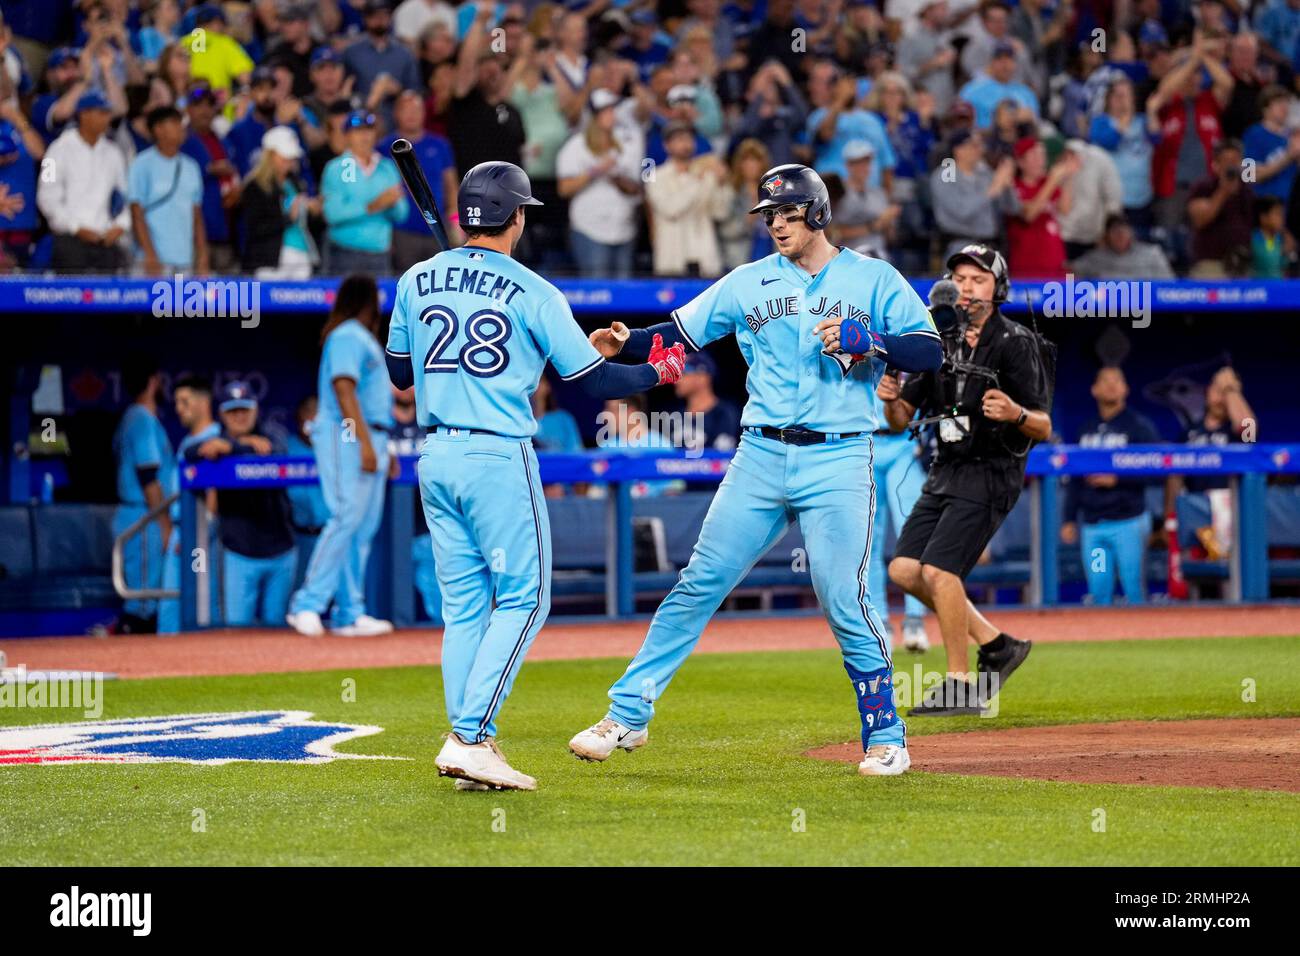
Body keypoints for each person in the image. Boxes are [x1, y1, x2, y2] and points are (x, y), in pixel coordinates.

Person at [568, 164, 942, 779]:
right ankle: (627, 713)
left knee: (842, 596)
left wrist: (868, 339)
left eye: (786, 213)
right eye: (768, 215)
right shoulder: (749, 281)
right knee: (697, 583)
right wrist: (628, 340)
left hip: (839, 453)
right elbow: (681, 334)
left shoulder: (873, 277)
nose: (774, 224)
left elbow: (927, 347)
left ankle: (885, 734)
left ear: (817, 213)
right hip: (761, 454)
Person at [384, 160, 687, 791]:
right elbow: (595, 383)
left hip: (436, 456)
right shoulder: (534, 290)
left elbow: (401, 373)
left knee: (466, 607)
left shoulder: (417, 277)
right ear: (515, 216)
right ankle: (469, 737)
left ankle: (473, 743)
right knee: (525, 599)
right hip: (497, 455)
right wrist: (656, 374)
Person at [882, 244, 1051, 716]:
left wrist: (1016, 412)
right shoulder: (936, 339)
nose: (967, 289)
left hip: (993, 470)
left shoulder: (1016, 341)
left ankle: (961, 685)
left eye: (978, 280)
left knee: (940, 572)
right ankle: (997, 645)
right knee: (903, 569)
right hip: (946, 468)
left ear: (998, 290)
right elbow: (901, 421)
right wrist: (891, 398)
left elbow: (1043, 425)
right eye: (959, 279)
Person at [287, 275, 396, 638]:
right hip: (345, 434)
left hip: (373, 434)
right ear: (365, 301)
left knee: (361, 527)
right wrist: (364, 442)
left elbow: (369, 397)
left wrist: (382, 445)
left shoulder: (360, 337)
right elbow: (344, 390)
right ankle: (306, 603)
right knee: (345, 516)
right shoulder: (347, 333)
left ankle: (350, 612)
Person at [187, 382, 298, 626]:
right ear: (222, 414)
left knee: (277, 630)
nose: (239, 416)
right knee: (237, 630)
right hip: (239, 553)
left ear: (255, 410)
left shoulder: (272, 433)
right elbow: (190, 453)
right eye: (232, 410)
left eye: (244, 409)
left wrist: (233, 447)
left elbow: (278, 451)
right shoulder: (214, 442)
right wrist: (234, 446)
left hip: (281, 551)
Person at [1061, 367, 1160, 607]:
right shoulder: (1085, 430)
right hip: (1094, 527)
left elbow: (1156, 470)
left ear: (1126, 388)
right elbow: (1075, 479)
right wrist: (1069, 518)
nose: (1112, 385)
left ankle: (1143, 640)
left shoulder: (1139, 427)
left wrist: (1117, 479)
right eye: (1105, 380)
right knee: (1099, 590)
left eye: (1117, 380)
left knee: (1133, 588)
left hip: (1129, 522)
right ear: (1094, 390)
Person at [111, 356, 176, 634]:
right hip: (143, 517)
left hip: (141, 515)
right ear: (152, 382)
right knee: (142, 603)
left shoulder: (138, 417)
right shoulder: (140, 418)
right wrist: (163, 525)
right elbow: (148, 477)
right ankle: (133, 667)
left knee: (145, 599)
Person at [36, 90, 129, 273]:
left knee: (108, 297)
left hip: (105, 240)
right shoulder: (56, 149)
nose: (106, 118)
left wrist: (121, 225)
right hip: (70, 239)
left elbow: (124, 195)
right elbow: (46, 197)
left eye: (108, 113)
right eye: (101, 113)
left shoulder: (114, 152)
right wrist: (75, 227)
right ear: (84, 114)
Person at [157, 374, 221, 635]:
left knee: (203, 607)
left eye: (185, 401)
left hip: (200, 534)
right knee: (170, 609)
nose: (178, 408)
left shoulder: (215, 438)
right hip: (181, 530)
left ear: (204, 402)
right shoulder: (187, 441)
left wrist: (199, 534)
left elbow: (213, 493)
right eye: (177, 402)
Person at [556, 89, 643, 278]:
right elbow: (564, 188)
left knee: (625, 296)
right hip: (589, 228)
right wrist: (595, 171)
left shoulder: (630, 142)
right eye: (606, 110)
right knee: (596, 294)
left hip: (624, 228)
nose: (612, 115)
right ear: (594, 115)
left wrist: (617, 178)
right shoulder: (576, 145)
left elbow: (640, 186)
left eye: (613, 109)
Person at [320, 109, 408, 274]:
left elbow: (401, 214)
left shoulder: (387, 167)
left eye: (369, 130)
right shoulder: (337, 167)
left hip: (379, 254)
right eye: (358, 131)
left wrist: (393, 203)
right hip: (344, 253)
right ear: (347, 136)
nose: (364, 136)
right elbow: (332, 214)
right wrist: (373, 206)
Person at [379, 88, 457, 271]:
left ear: (424, 113)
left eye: (416, 109)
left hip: (437, 229)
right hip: (401, 230)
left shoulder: (440, 145)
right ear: (396, 114)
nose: (412, 115)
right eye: (406, 110)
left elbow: (451, 186)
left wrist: (455, 220)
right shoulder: (384, 147)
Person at [128, 105, 207, 275]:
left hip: (184, 259)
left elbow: (197, 214)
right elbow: (136, 212)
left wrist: (202, 254)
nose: (181, 128)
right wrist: (150, 255)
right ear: (158, 129)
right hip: (153, 260)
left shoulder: (191, 166)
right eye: (175, 123)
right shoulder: (142, 164)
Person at [645, 121, 730, 276]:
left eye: (688, 139)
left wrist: (722, 184)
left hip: (705, 260)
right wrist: (695, 179)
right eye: (679, 139)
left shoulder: (707, 174)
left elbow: (720, 213)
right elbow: (671, 209)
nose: (685, 143)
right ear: (667, 145)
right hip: (672, 261)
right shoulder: (656, 176)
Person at [389, 384, 443, 624]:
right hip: (385, 537)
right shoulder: (377, 425)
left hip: (428, 530)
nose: (404, 387)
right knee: (385, 608)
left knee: (439, 607)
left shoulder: (431, 421)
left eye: (411, 381)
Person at [241, 125, 320, 277]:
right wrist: (288, 217)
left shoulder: (296, 183)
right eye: (284, 157)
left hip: (301, 253)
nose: (288, 162)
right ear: (270, 155)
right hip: (270, 258)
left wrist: (312, 211)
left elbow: (304, 224)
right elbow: (255, 228)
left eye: (291, 158)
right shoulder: (255, 186)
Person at [1188, 138, 1254, 278]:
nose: (1232, 166)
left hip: (1241, 264)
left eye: (1236, 160)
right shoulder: (1203, 187)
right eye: (1226, 161)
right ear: (1216, 165)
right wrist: (1223, 191)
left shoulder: (1247, 191)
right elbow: (1200, 220)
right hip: (1211, 265)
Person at [1070, 213, 1175, 279]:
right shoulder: (1094, 258)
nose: (1120, 235)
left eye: (1123, 230)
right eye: (1114, 231)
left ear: (1132, 233)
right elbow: (1069, 273)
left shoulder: (1152, 254)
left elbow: (1169, 286)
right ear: (1106, 236)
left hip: (1149, 308)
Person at [674, 351, 740, 453]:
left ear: (703, 378)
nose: (677, 381)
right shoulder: (676, 416)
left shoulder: (724, 414)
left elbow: (722, 458)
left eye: (684, 374)